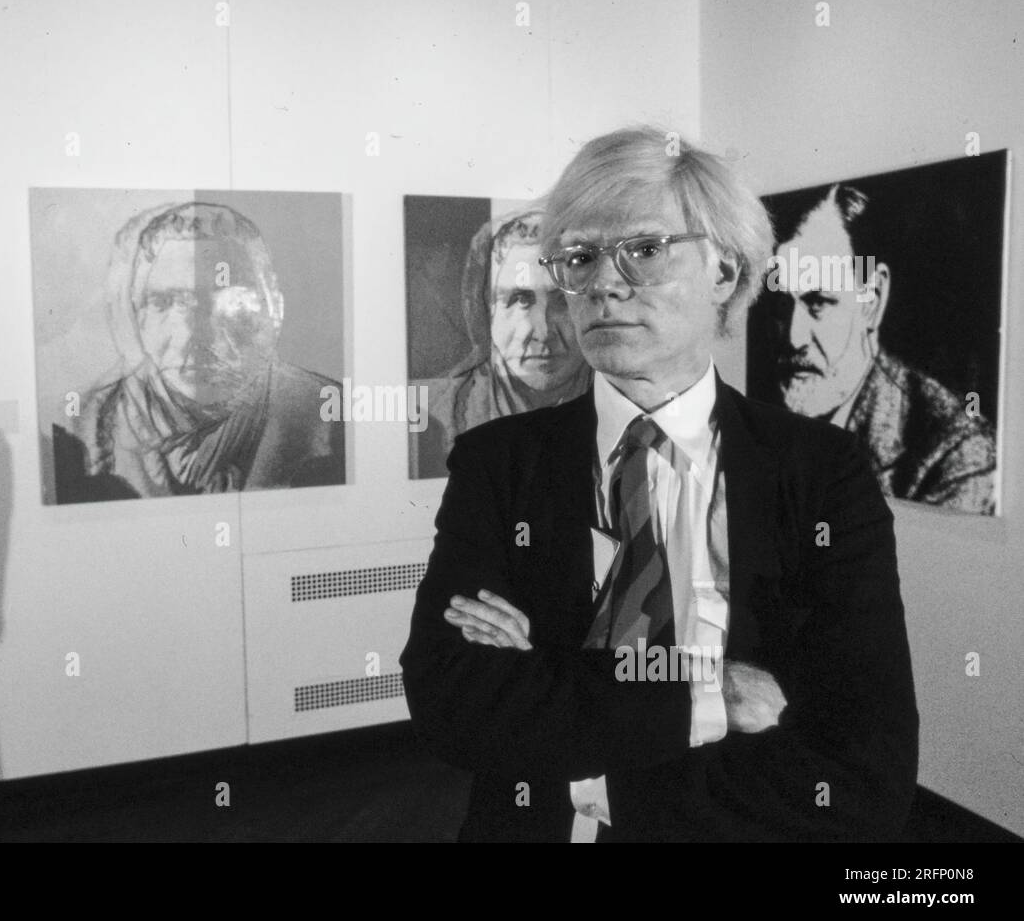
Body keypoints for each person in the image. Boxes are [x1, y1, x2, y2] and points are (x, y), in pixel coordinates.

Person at [400, 127, 919, 842]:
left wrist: (561, 707)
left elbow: (864, 779)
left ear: (727, 274)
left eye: (644, 250)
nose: (604, 283)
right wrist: (711, 698)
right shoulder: (499, 464)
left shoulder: (822, 475)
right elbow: (451, 703)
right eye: (578, 258)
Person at [53, 201, 345, 500]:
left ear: (272, 309)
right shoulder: (81, 424)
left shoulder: (330, 414)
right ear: (137, 316)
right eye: (163, 302)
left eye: (225, 303)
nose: (190, 335)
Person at [765, 183, 995, 514]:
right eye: (780, 302)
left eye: (818, 302)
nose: (793, 337)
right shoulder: (758, 411)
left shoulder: (958, 454)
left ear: (871, 302)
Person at [411, 207, 591, 478]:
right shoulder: (427, 415)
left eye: (562, 301)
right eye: (520, 300)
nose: (542, 331)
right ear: (483, 309)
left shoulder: (630, 418)